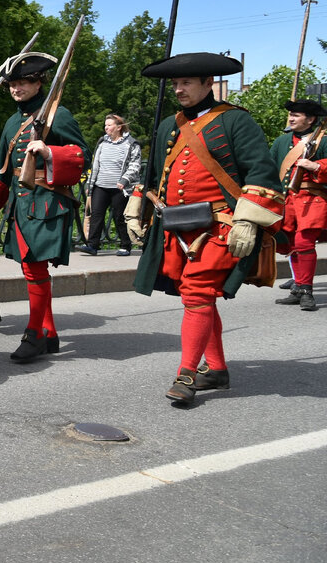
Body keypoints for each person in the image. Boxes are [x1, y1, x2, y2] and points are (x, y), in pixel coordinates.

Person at [127, 53, 284, 407]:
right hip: (178, 228)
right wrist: (139, 201)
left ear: (207, 83)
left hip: (220, 226)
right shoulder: (169, 124)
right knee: (197, 296)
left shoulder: (235, 121)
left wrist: (247, 219)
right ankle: (216, 369)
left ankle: (186, 374)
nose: (179, 90)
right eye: (175, 84)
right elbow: (157, 174)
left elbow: (261, 172)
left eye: (186, 83)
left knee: (197, 294)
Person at [0, 52, 89, 363]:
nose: (16, 88)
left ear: (40, 83)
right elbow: (2, 173)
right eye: (12, 83)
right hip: (21, 207)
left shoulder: (57, 115)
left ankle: (34, 333)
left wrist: (49, 151)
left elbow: (81, 156)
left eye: (24, 82)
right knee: (30, 269)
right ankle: (49, 333)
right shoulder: (12, 122)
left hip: (48, 202)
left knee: (35, 270)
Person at [270, 98, 326, 311]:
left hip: (313, 200)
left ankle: (307, 291)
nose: (291, 118)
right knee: (291, 245)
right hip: (288, 200)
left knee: (304, 243)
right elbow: (269, 168)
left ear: (310, 119)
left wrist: (316, 165)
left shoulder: (324, 140)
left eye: (296, 115)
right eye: (290, 115)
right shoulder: (281, 143)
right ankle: (297, 290)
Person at [76, 114, 141, 256]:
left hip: (120, 188)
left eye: (109, 125)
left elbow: (135, 165)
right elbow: (95, 165)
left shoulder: (131, 143)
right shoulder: (102, 142)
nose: (106, 128)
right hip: (101, 185)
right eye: (105, 125)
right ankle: (93, 245)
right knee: (96, 214)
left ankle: (125, 245)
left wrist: (124, 180)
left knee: (119, 216)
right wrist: (90, 184)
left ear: (119, 127)